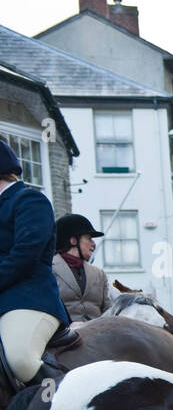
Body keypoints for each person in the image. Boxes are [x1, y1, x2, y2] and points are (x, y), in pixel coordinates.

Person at [0, 140, 69, 394]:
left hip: (28, 299)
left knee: (20, 358)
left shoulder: (29, 200)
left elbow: (24, 255)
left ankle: (62, 404)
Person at [52, 214, 114, 323]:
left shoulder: (99, 273)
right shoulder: (49, 269)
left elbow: (108, 309)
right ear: (73, 240)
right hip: (63, 335)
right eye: (89, 239)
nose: (93, 244)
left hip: (98, 334)